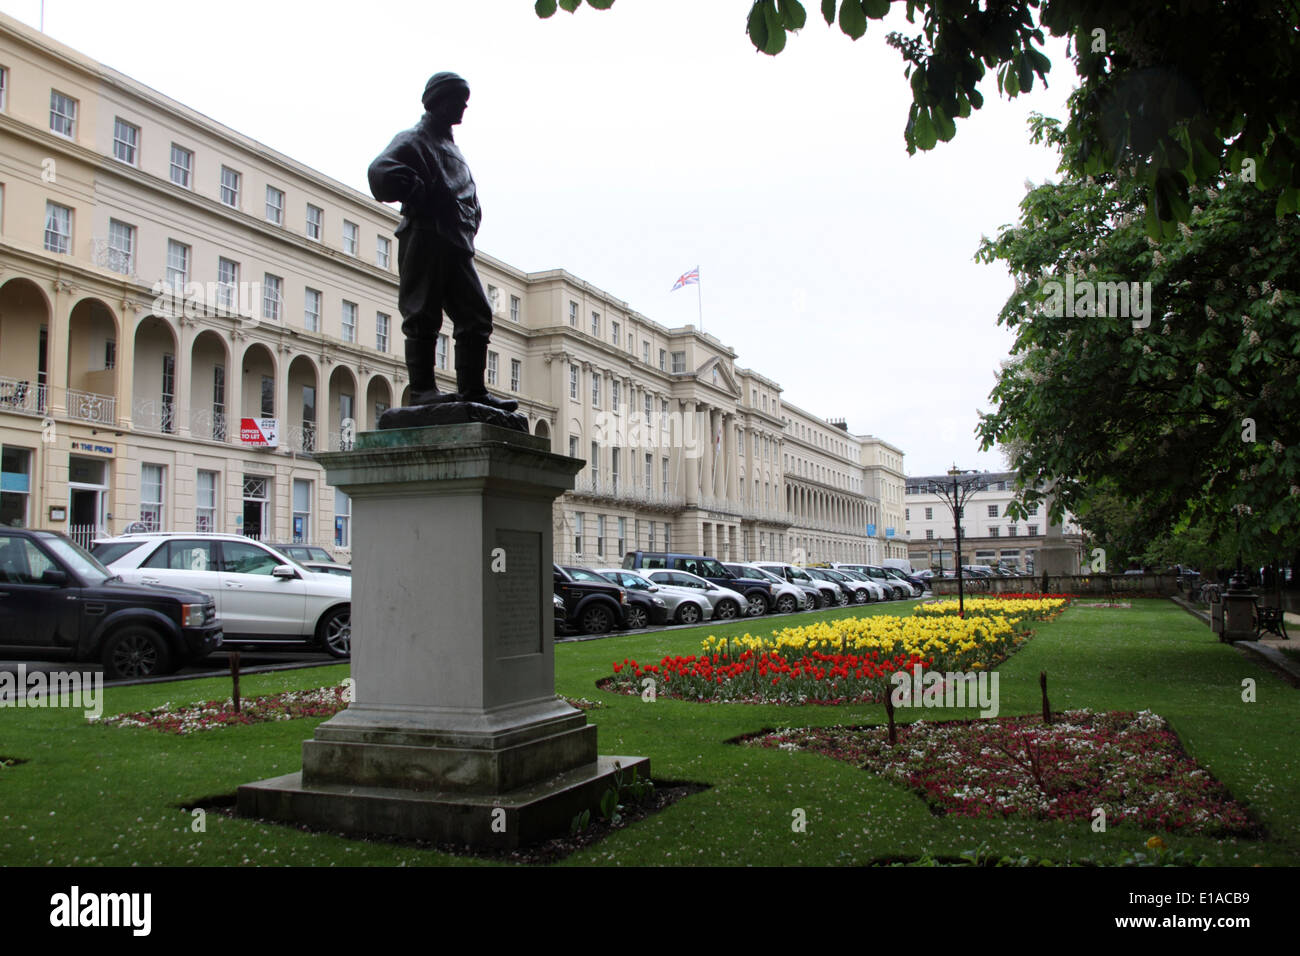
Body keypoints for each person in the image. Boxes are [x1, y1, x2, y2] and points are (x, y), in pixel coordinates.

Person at [368, 72, 516, 412]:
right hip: (425, 236)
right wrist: (418, 190)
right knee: (422, 313)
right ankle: (422, 390)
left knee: (477, 315)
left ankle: (473, 391)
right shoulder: (414, 139)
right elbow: (379, 173)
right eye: (456, 100)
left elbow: (467, 194)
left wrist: (472, 217)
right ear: (435, 101)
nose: (463, 107)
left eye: (464, 101)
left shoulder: (452, 148)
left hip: (456, 242)